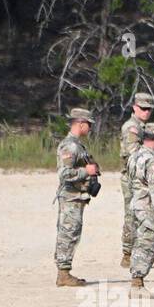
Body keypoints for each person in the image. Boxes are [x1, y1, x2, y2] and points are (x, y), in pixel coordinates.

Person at [54, 108, 99, 287]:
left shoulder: (77, 145)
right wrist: (85, 171)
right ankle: (63, 273)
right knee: (68, 233)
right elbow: (64, 173)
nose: (90, 128)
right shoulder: (70, 146)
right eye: (88, 124)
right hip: (71, 197)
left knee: (72, 233)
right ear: (80, 124)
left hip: (77, 197)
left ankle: (64, 271)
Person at [126, 122, 154, 289]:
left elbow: (133, 182)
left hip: (136, 205)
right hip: (148, 207)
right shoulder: (152, 160)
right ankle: (137, 283)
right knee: (148, 244)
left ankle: (137, 281)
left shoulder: (134, 156)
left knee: (140, 242)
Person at [118, 92, 154, 267]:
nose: (146, 112)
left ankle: (138, 251)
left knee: (145, 214)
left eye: (149, 109)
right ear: (134, 107)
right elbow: (133, 154)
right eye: (143, 108)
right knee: (132, 215)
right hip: (132, 177)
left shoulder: (146, 127)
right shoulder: (132, 128)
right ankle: (127, 253)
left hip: (145, 176)